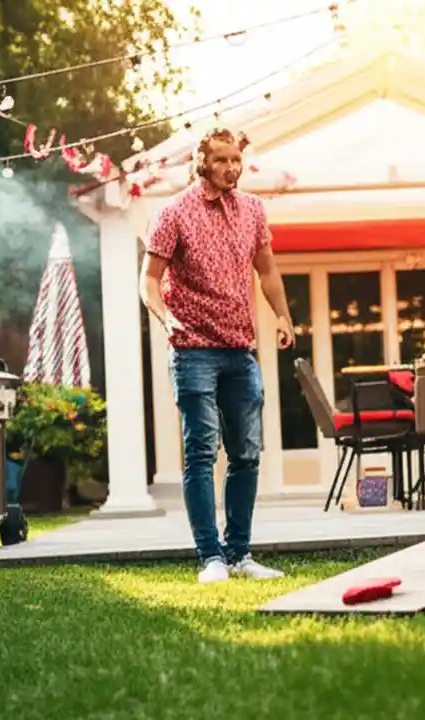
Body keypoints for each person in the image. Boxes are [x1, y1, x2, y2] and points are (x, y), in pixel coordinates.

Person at [140, 127, 295, 584]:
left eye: (236, 159)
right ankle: (210, 558)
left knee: (246, 453)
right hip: (193, 350)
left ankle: (240, 555)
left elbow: (267, 270)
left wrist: (283, 316)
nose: (232, 167)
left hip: (240, 349)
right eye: (222, 160)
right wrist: (165, 317)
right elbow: (149, 278)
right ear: (202, 162)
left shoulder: (253, 210)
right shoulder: (173, 212)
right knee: (201, 451)